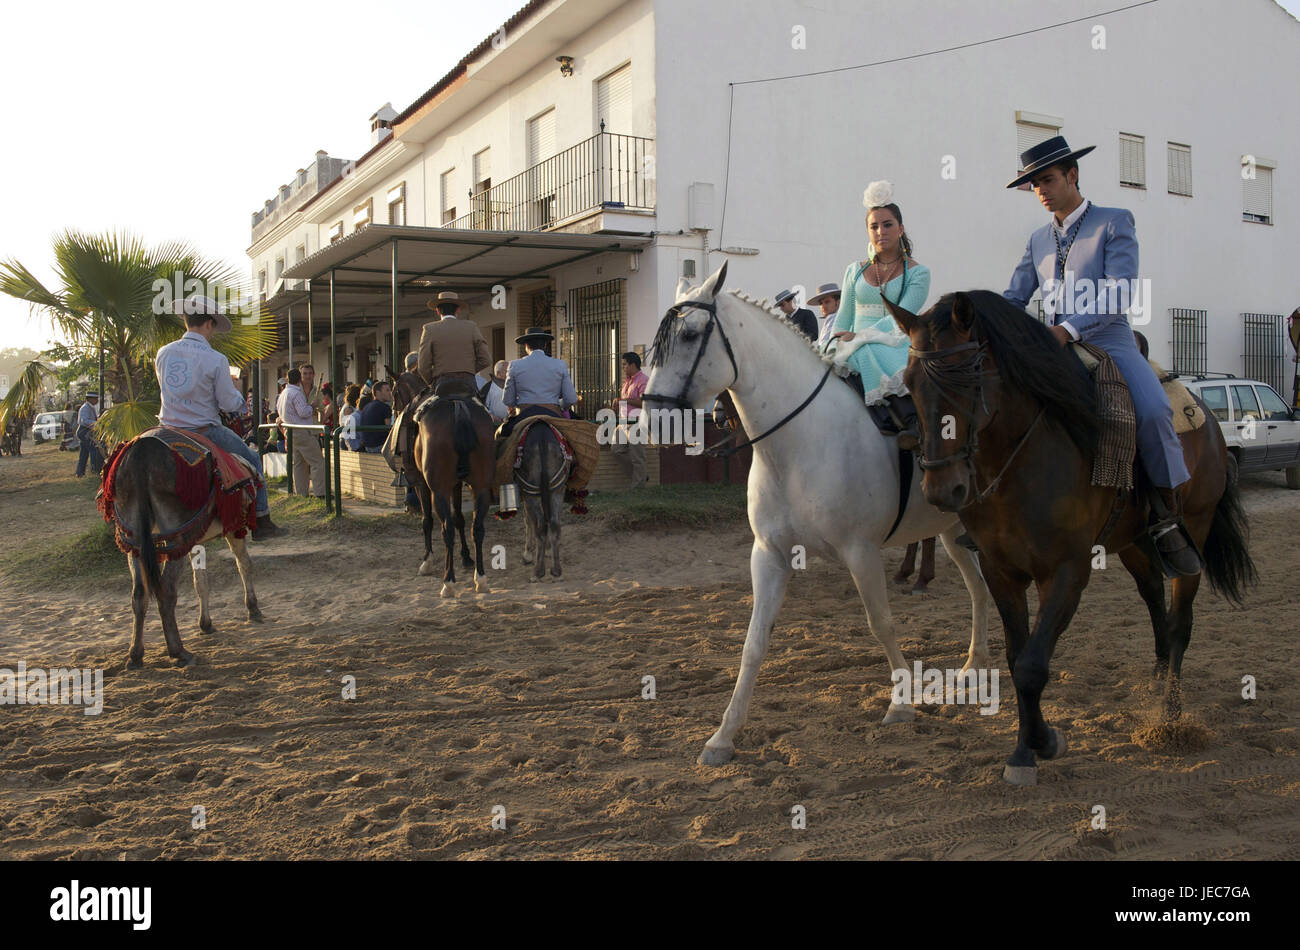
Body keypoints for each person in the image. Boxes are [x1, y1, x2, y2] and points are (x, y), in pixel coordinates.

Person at [1003, 135, 1200, 576]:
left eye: (1048, 179)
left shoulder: (1114, 221)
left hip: (1109, 341)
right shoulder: (1036, 239)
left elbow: (1119, 290)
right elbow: (1014, 298)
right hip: (1050, 348)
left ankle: (1167, 520)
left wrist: (1067, 329)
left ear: (1072, 174)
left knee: (1151, 412)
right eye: (1034, 184)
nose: (1041, 190)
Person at [155, 295, 286, 540]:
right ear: (208, 324)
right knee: (254, 461)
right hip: (203, 430)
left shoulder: (163, 353)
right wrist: (240, 403)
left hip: (167, 431)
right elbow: (228, 403)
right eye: (212, 327)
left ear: (186, 321)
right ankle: (262, 520)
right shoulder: (216, 359)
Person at [831, 180, 930, 443]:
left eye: (887, 225)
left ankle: (905, 419)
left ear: (900, 229)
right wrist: (831, 341)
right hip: (854, 342)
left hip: (896, 340)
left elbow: (901, 319)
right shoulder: (854, 270)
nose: (880, 231)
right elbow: (843, 317)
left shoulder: (919, 273)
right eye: (873, 226)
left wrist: (859, 338)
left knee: (865, 350)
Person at [499, 327, 578, 442]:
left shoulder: (514, 365)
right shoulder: (560, 364)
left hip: (523, 415)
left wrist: (521, 404)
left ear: (526, 346)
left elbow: (507, 400)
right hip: (553, 414)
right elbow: (571, 399)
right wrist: (559, 405)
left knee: (500, 439)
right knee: (577, 443)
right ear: (545, 345)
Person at [417, 291, 491, 399]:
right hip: (467, 382)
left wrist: (432, 381)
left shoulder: (429, 329)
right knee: (485, 412)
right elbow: (486, 360)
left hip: (441, 382)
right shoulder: (471, 327)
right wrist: (468, 370)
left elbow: (423, 366)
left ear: (438, 311)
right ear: (458, 310)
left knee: (419, 412)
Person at [276, 367, 326, 498]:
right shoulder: (296, 393)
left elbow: (279, 411)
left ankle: (301, 493)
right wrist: (312, 406)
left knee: (299, 464)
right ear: (299, 379)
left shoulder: (283, 393)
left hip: (291, 431)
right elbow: (303, 412)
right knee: (318, 462)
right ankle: (320, 493)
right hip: (301, 431)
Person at [610, 351, 649, 488]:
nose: (623, 367)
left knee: (637, 457)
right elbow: (626, 401)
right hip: (623, 422)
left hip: (636, 423)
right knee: (616, 450)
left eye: (625, 364)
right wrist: (619, 403)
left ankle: (638, 487)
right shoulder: (627, 381)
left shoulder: (643, 380)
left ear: (633, 364)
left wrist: (625, 401)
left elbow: (645, 403)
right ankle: (641, 476)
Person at [74, 392, 104, 477]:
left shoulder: (91, 407)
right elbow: (85, 421)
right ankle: (95, 470)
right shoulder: (85, 408)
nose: (97, 400)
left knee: (84, 453)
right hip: (84, 431)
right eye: (96, 399)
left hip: (86, 431)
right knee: (94, 450)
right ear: (90, 399)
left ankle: (80, 472)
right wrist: (97, 423)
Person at [358, 379, 394, 453]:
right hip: (379, 446)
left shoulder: (366, 406)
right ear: (378, 393)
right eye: (387, 390)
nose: (390, 393)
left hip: (367, 446)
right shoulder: (385, 407)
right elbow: (389, 429)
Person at [806, 282, 842, 352]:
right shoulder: (830, 319)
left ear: (838, 302)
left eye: (827, 302)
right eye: (821, 303)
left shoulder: (841, 319)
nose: (823, 306)